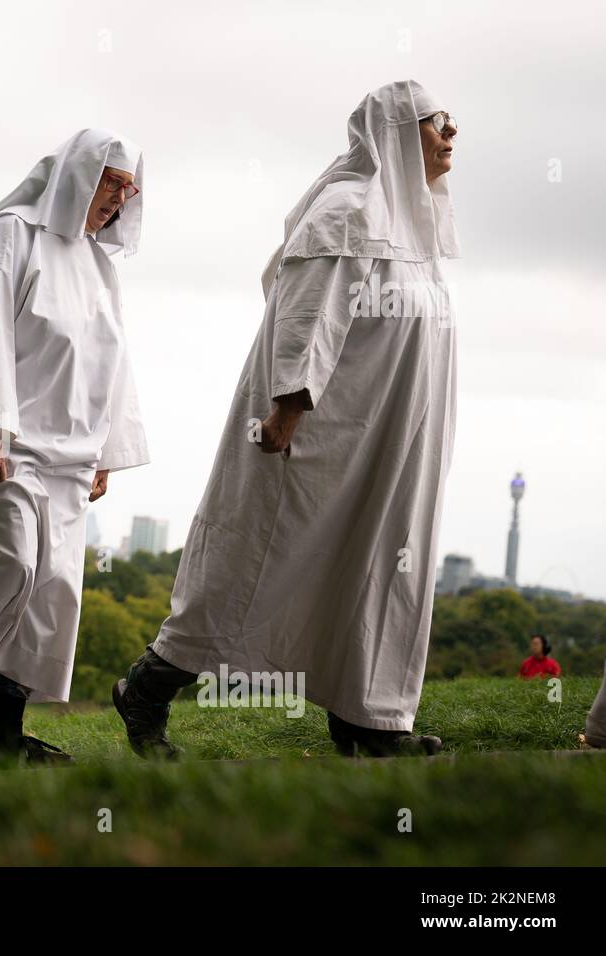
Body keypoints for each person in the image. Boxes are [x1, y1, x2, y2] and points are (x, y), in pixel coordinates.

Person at [114, 80, 459, 760]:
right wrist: (287, 406)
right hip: (321, 436)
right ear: (395, 130)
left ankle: (371, 720)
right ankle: (149, 687)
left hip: (395, 441)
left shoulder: (419, 233)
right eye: (437, 122)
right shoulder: (349, 209)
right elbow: (308, 310)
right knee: (255, 560)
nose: (452, 135)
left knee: (384, 565)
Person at [0, 128, 150, 770]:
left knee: (51, 595)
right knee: (9, 564)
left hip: (70, 456)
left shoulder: (98, 266)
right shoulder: (10, 235)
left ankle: (4, 741)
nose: (118, 200)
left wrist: (107, 453)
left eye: (129, 190)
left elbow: (110, 364)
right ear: (75, 175)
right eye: (110, 183)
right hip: (1, 444)